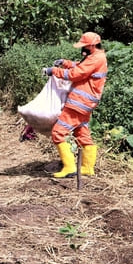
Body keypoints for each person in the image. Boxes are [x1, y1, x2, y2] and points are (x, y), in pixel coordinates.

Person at [43, 32, 108, 178]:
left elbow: (76, 74)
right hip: (86, 103)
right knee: (81, 133)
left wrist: (53, 71)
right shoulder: (95, 57)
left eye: (84, 46)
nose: (82, 48)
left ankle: (70, 167)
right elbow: (80, 66)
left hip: (79, 103)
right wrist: (65, 63)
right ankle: (87, 167)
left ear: (91, 45)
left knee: (58, 133)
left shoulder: (96, 58)